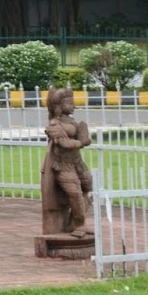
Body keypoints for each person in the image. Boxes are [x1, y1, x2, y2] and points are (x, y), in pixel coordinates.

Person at [41, 88, 94, 236]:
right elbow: (64, 144)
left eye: (73, 102)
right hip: (62, 165)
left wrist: (86, 138)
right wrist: (82, 142)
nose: (73, 106)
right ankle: (79, 224)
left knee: (88, 187)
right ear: (59, 105)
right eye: (69, 103)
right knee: (74, 192)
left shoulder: (74, 123)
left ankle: (75, 222)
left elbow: (85, 139)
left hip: (77, 163)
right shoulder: (54, 125)